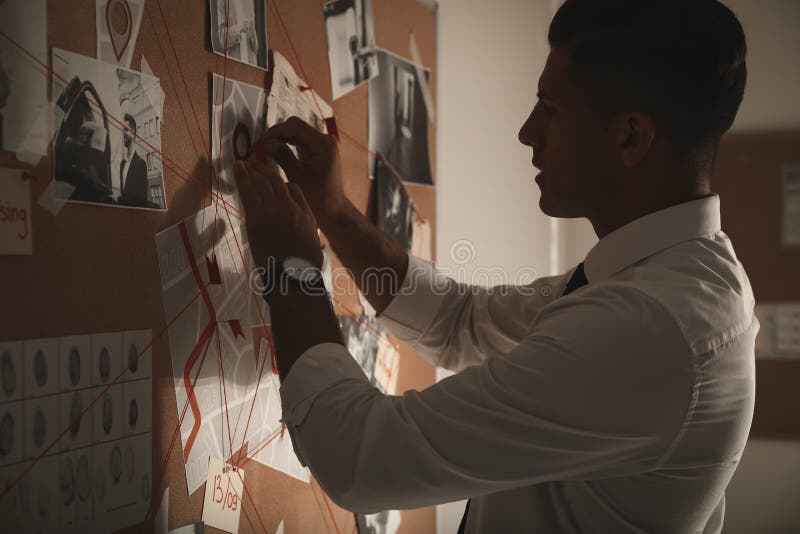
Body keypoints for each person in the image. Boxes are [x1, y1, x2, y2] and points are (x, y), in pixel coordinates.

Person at [233, 0, 755, 532]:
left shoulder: (649, 329)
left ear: (631, 137)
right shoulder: (675, 272)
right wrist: (335, 213)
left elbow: (359, 460)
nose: (527, 132)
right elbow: (460, 321)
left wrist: (292, 268)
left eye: (549, 109)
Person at [118, 113, 148, 207]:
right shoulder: (122, 164)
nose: (123, 133)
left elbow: (142, 200)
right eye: (122, 130)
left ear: (134, 132)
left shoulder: (140, 164)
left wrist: (120, 201)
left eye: (126, 129)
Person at [216, 0, 259, 66]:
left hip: (252, 66)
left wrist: (253, 34)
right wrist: (239, 27)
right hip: (234, 66)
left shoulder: (250, 2)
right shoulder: (222, 1)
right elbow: (222, 39)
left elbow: (255, 49)